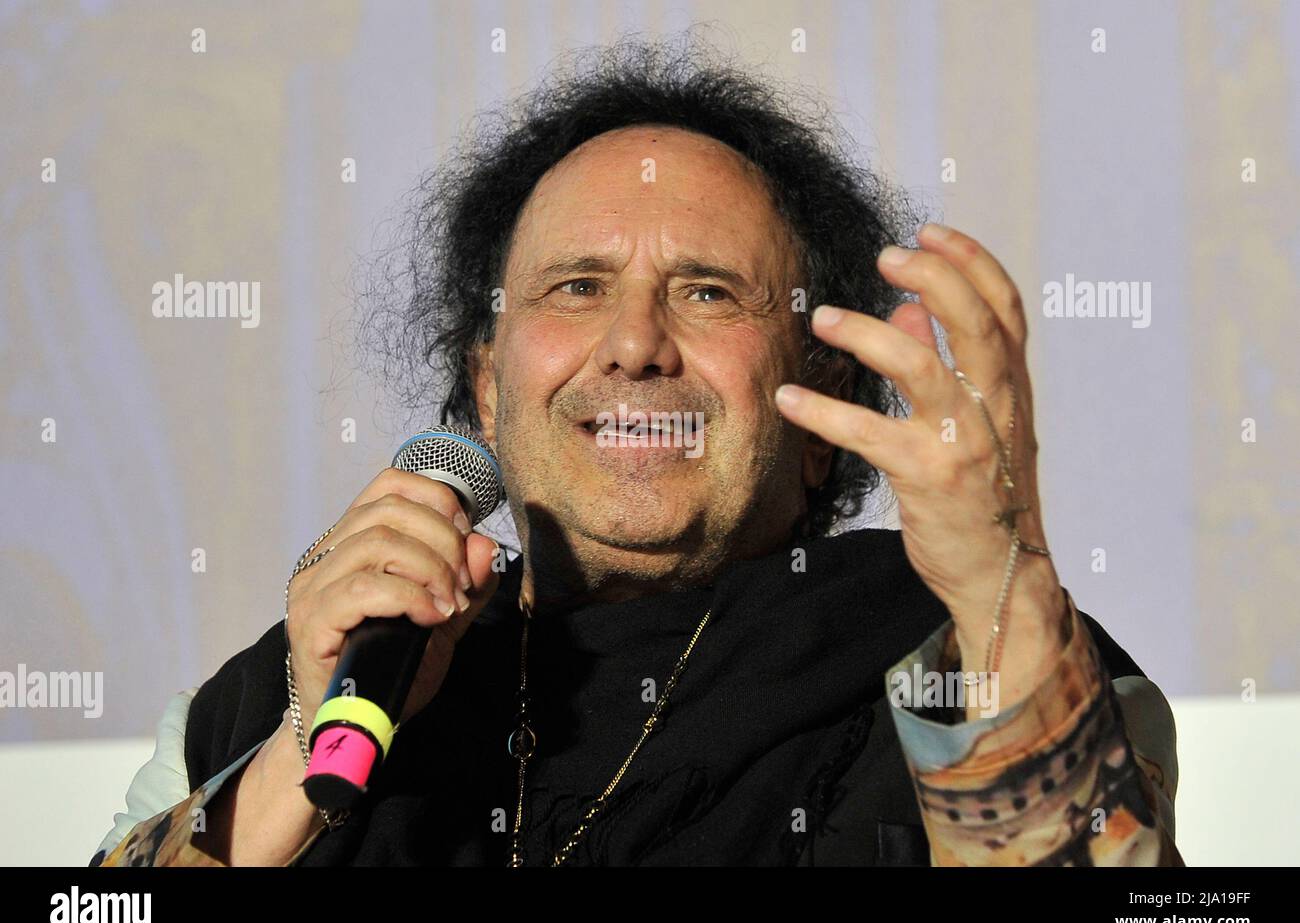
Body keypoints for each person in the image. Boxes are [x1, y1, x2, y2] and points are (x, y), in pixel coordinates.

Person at [93, 36, 1180, 867]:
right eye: (577, 287)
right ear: (486, 385)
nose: (634, 345)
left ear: (819, 406)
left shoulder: (971, 660)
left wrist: (1007, 584)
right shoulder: (282, 694)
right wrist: (297, 756)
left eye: (708, 292)